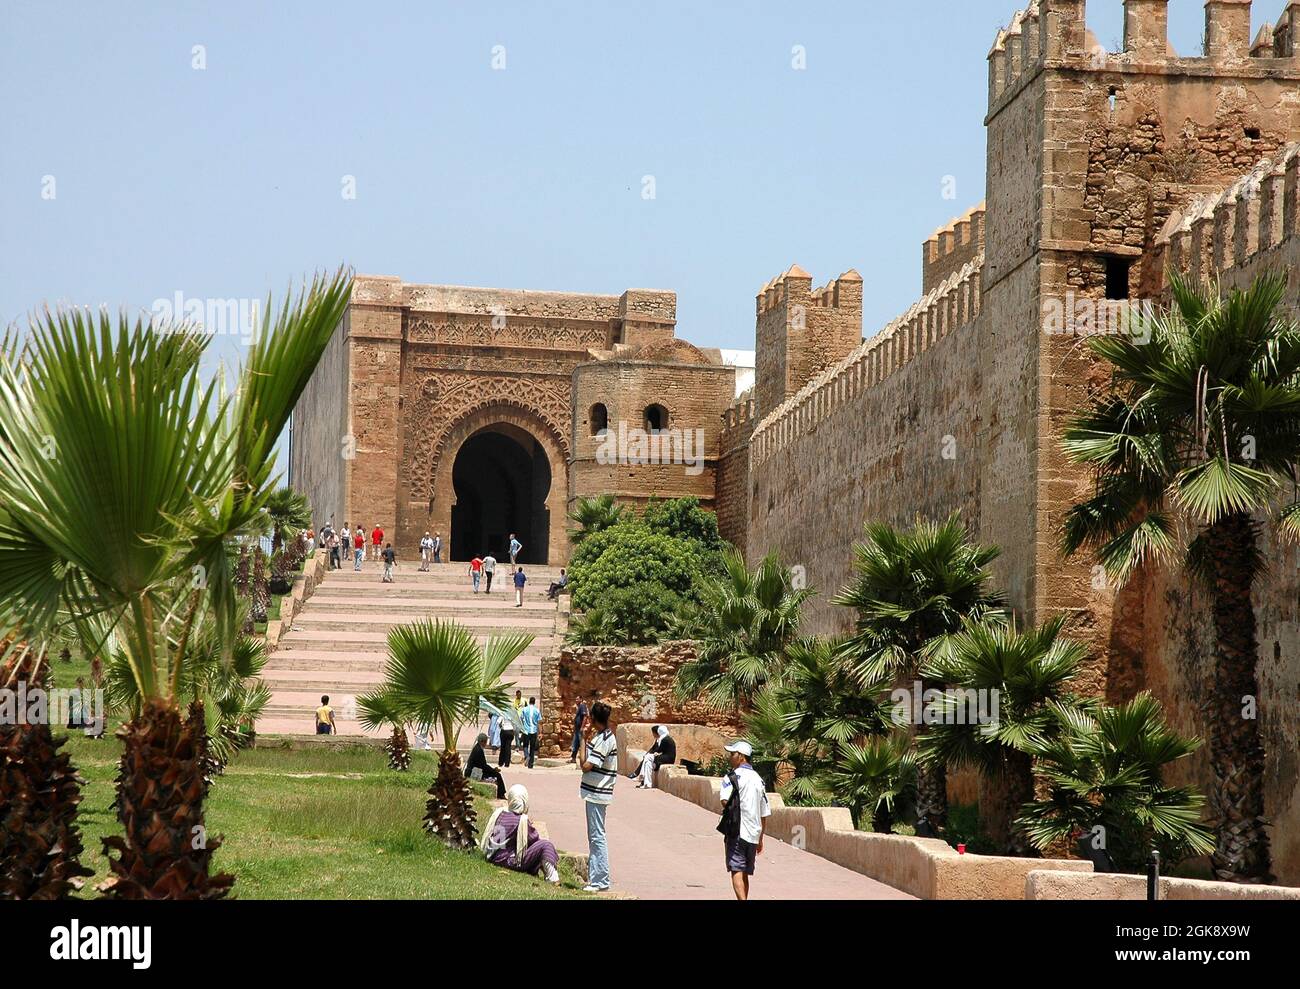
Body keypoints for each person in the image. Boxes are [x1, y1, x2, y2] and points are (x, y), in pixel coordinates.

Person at [718, 740, 770, 901]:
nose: (730, 757)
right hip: (754, 833)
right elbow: (764, 811)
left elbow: (724, 800)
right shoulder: (759, 779)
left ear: (741, 756)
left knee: (736, 870)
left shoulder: (732, 777)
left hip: (737, 830)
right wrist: (761, 837)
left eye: (732, 754)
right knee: (744, 872)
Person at [481, 784, 561, 884]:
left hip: (494, 856)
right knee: (546, 845)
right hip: (509, 861)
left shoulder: (500, 813)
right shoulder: (520, 820)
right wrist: (529, 824)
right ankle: (552, 878)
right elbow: (533, 839)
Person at [578, 701, 617, 892]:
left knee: (597, 836)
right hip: (594, 793)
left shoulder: (605, 740)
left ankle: (600, 880)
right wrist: (585, 738)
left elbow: (585, 765)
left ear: (593, 719)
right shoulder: (601, 736)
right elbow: (584, 761)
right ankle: (597, 878)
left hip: (597, 794)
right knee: (594, 836)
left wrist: (582, 739)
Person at [631, 724, 676, 789]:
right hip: (664, 757)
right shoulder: (665, 738)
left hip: (668, 758)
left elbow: (659, 750)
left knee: (648, 757)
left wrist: (654, 753)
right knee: (648, 763)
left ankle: (641, 776)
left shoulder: (665, 739)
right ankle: (647, 784)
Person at [464, 732, 506, 798]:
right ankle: (501, 794)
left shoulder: (478, 748)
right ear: (482, 742)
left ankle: (501, 793)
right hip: (473, 772)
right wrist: (493, 770)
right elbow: (483, 766)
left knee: (495, 774)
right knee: (498, 775)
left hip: (477, 770)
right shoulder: (478, 750)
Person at [569, 692, 593, 763]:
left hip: (580, 729)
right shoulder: (579, 707)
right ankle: (573, 758)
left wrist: (582, 727)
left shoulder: (582, 706)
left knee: (582, 743)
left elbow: (585, 716)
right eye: (575, 699)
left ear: (581, 700)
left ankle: (585, 758)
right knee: (575, 744)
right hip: (577, 729)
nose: (576, 701)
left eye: (577, 699)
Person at [519, 696, 540, 769]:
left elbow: (521, 718)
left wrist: (522, 727)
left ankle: (526, 756)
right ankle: (531, 764)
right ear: (534, 702)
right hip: (534, 730)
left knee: (525, 745)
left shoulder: (524, 709)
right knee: (532, 747)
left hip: (526, 730)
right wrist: (539, 732)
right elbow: (538, 721)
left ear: (529, 702)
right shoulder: (537, 710)